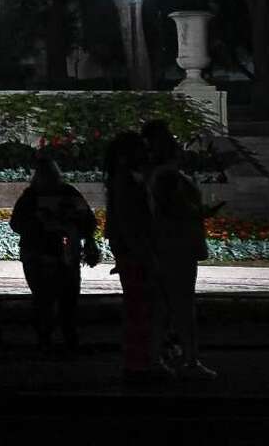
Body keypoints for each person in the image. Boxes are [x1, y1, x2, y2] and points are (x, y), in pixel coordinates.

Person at [144, 119, 215, 379]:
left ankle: (160, 357)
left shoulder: (159, 175)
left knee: (165, 306)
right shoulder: (166, 176)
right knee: (181, 305)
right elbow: (173, 209)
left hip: (169, 245)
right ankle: (188, 359)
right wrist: (198, 212)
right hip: (177, 246)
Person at [9, 156, 99, 353]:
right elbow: (88, 221)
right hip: (46, 256)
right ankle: (58, 339)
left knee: (55, 300)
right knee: (55, 300)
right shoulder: (40, 196)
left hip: (55, 256)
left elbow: (87, 221)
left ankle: (53, 339)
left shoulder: (34, 196)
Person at [104, 130, 159, 382]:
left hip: (133, 251)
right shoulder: (126, 181)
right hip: (136, 252)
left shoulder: (123, 179)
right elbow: (129, 221)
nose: (148, 153)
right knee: (140, 306)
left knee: (139, 306)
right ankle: (139, 362)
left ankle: (139, 360)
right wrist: (140, 252)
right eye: (143, 149)